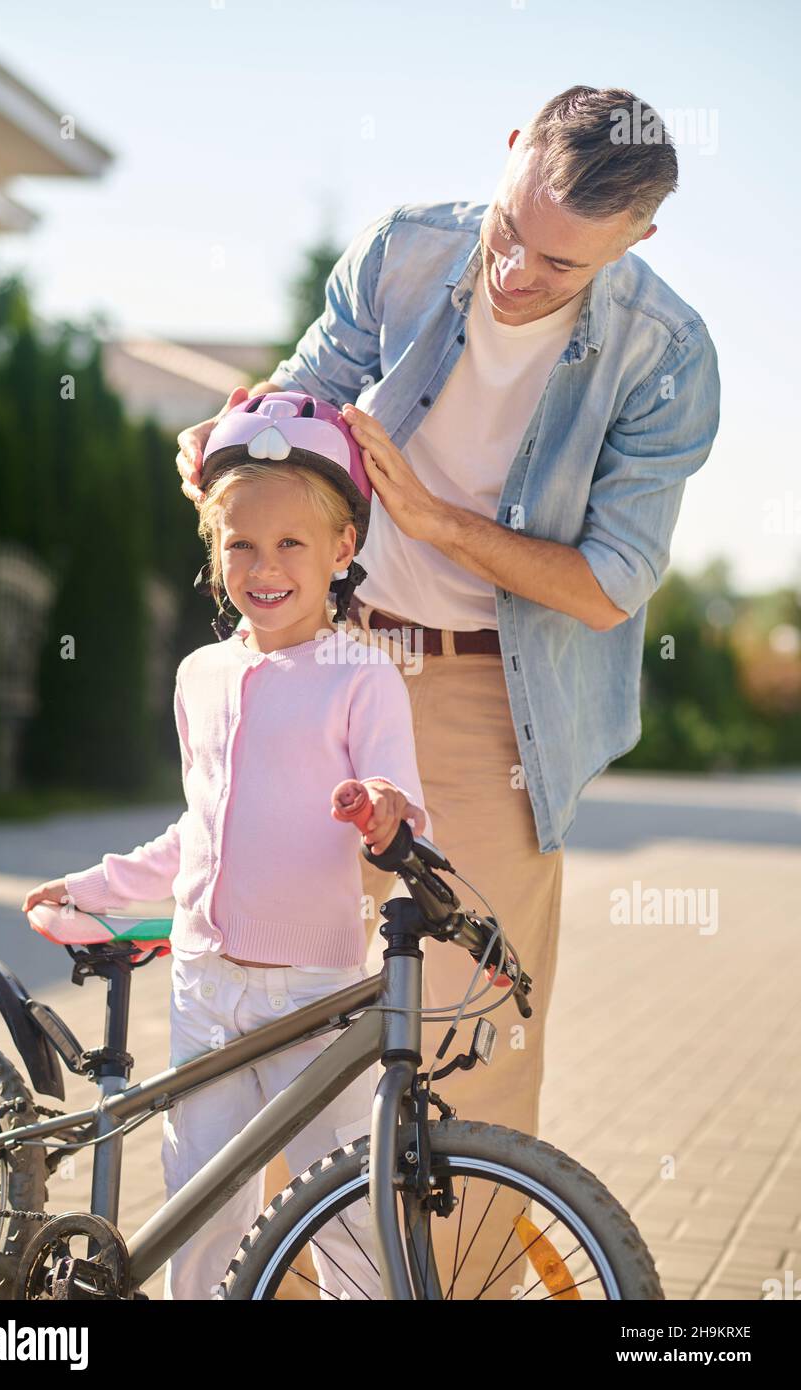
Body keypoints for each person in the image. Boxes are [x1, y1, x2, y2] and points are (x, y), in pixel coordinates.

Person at [175, 86, 721, 1298]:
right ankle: (285, 1287)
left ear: (637, 239)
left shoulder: (668, 356)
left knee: (467, 1035)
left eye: (561, 259)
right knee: (298, 1007)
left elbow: (605, 586)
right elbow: (306, 397)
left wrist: (430, 519)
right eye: (512, 231)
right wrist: (241, 433)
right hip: (335, 656)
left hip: (490, 705)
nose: (518, 272)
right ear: (512, 146)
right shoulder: (411, 249)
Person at [22, 391, 432, 1300]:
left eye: (292, 544)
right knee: (201, 1209)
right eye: (239, 543)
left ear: (341, 550)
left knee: (349, 1213)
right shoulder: (201, 675)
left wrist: (383, 813)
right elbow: (195, 833)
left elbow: (410, 815)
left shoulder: (362, 678)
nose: (263, 565)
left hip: (315, 998)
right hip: (206, 988)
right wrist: (91, 886)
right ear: (214, 551)